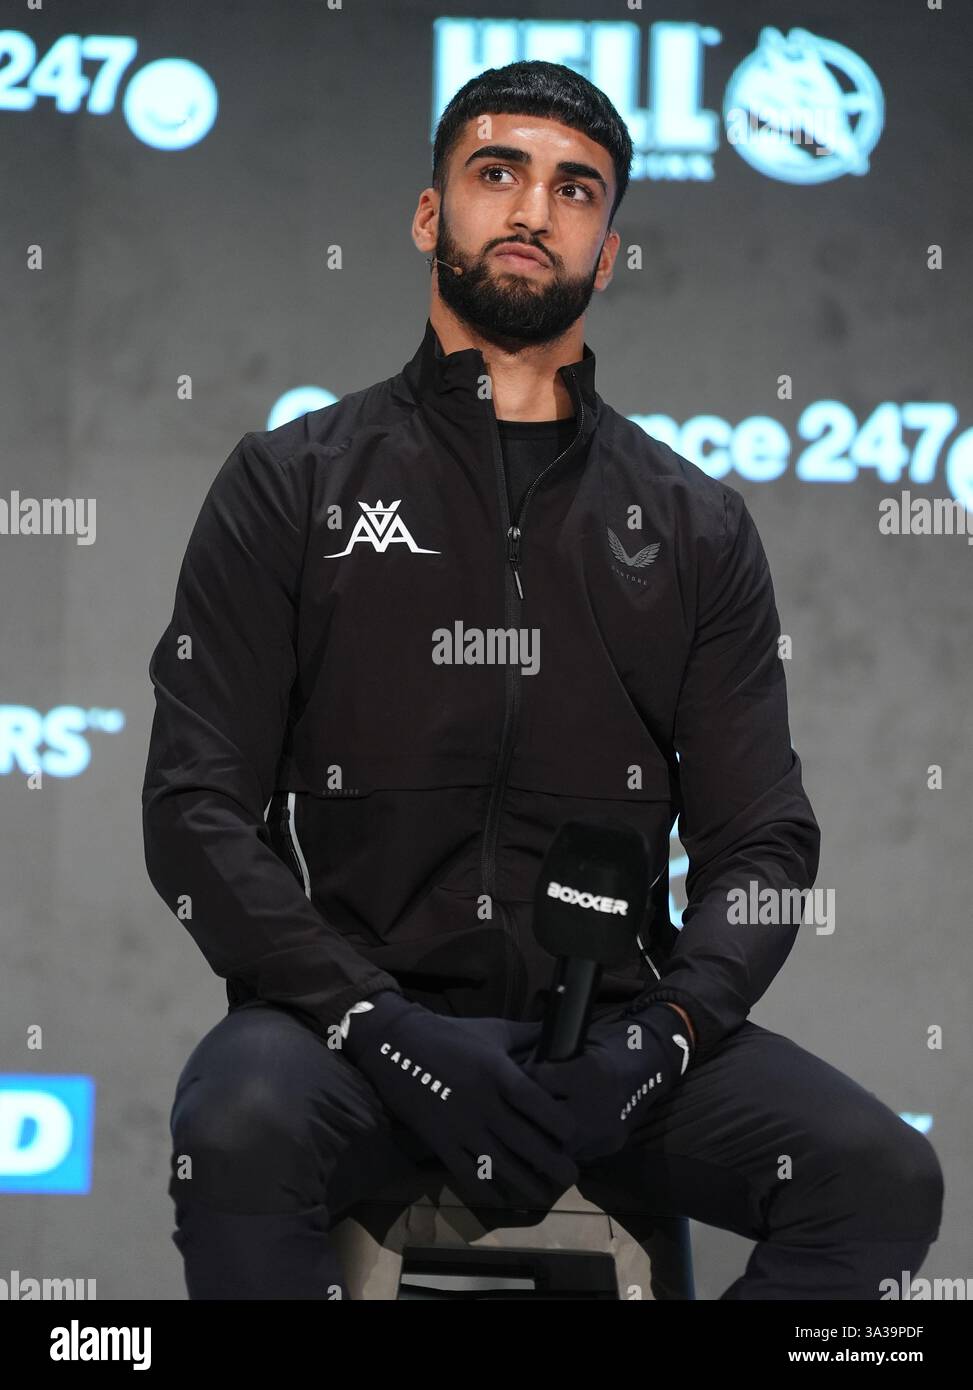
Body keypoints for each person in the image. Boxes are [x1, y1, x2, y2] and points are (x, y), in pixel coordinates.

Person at [142, 60, 943, 1299]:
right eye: (496, 172)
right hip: (346, 1031)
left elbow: (765, 843)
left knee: (876, 1177)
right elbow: (195, 812)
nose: (533, 209)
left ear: (606, 250)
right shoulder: (292, 483)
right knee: (236, 1131)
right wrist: (378, 1025)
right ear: (430, 216)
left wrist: (659, 1039)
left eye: (575, 190)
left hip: (608, 1036)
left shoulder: (694, 523)